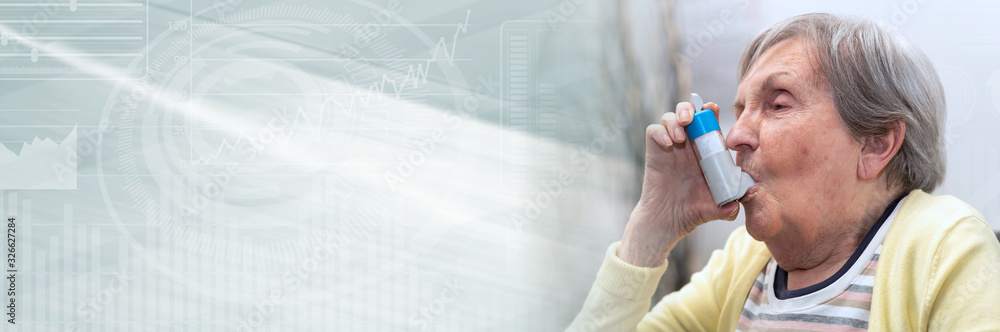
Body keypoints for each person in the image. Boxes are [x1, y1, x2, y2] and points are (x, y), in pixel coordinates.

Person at [568, 13, 1000, 331]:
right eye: (739, 111)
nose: (734, 135)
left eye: (778, 104)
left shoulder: (945, 246)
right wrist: (652, 229)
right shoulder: (746, 264)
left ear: (875, 145)